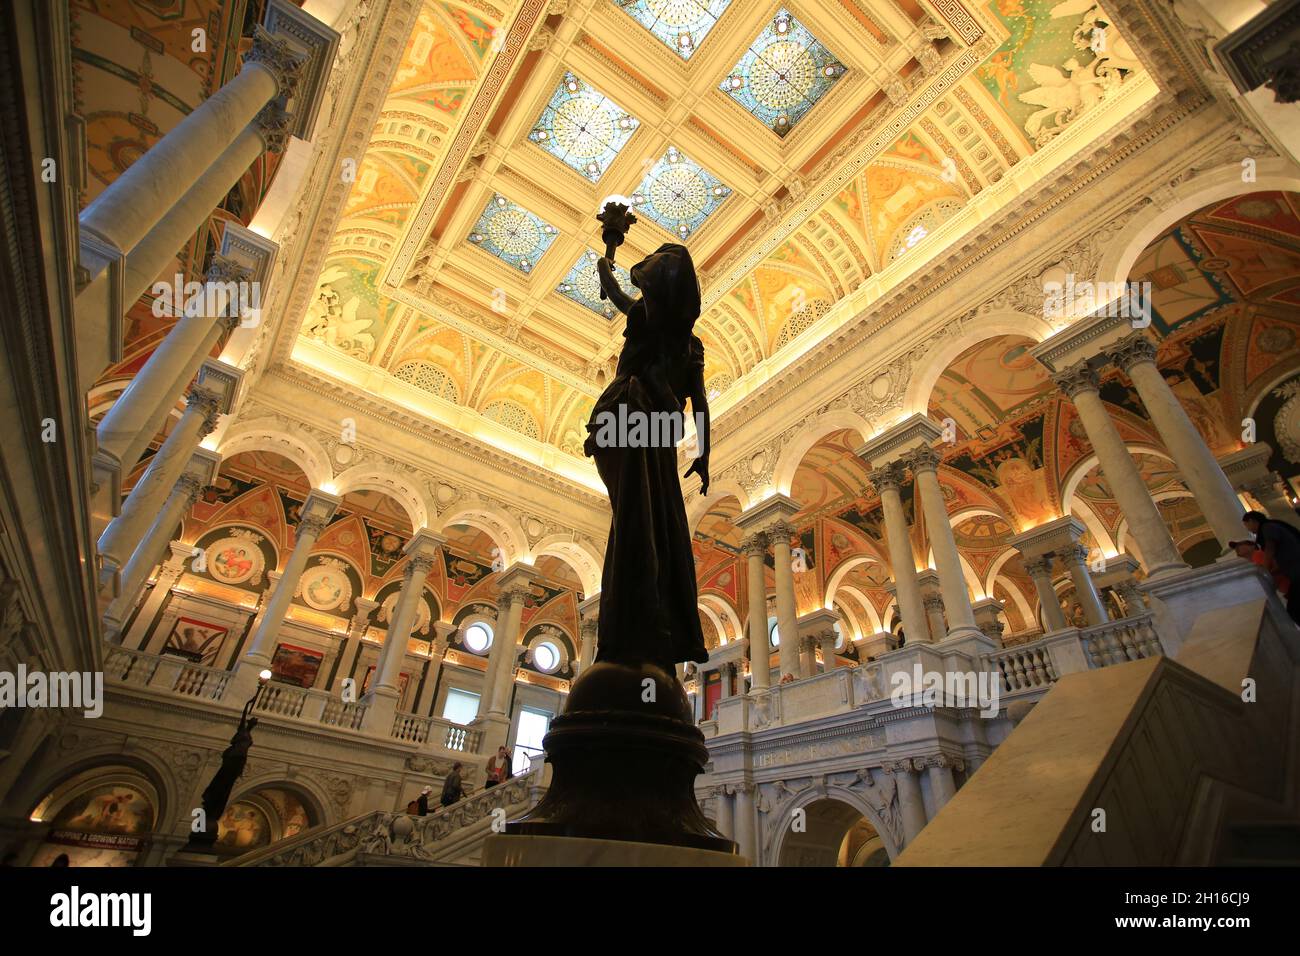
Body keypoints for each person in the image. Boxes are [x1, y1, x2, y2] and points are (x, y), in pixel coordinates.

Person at [586, 245, 711, 673]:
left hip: (631, 422)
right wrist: (703, 454)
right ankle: (643, 627)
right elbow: (701, 407)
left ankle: (635, 629)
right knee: (649, 523)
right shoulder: (688, 344)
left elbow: (614, 291)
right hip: (646, 429)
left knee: (642, 523)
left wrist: (605, 261)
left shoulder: (647, 319)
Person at [1243, 511, 1300, 623]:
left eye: (1246, 525)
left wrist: (1264, 569)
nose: (1248, 529)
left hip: (1297, 570)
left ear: (1252, 521)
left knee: (1295, 609)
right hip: (1295, 571)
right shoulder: (1272, 526)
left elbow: (1270, 549)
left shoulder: (1267, 528)